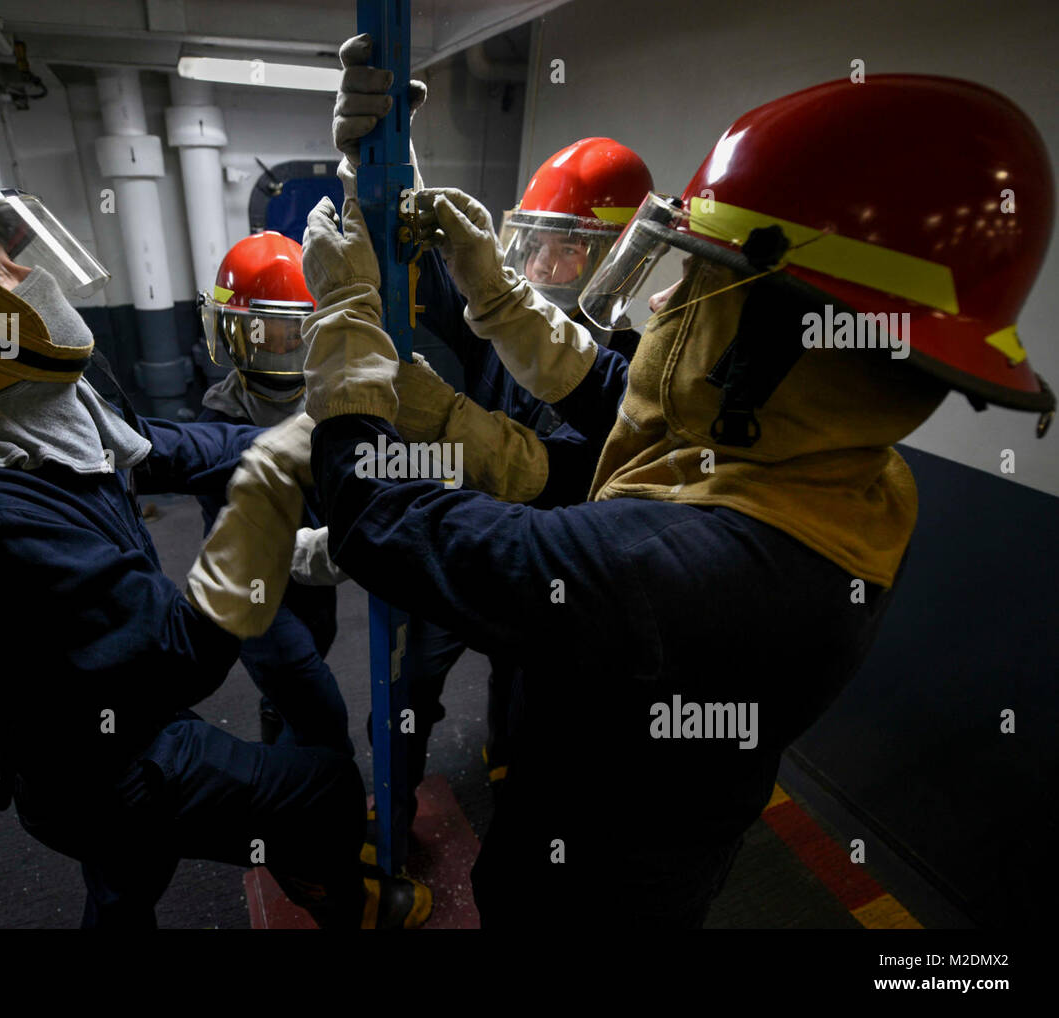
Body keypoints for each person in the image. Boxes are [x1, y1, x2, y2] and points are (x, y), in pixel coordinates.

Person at [298, 74, 1053, 926]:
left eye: (696, 278)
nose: (661, 298)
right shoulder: (849, 471)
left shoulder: (685, 574)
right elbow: (636, 403)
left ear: (773, 339)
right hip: (670, 844)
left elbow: (389, 522)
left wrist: (347, 320)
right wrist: (500, 299)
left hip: (588, 886)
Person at [0, 140, 430, 929]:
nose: (26, 278)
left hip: (80, 740)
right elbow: (181, 655)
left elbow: (174, 447)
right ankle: (340, 899)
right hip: (118, 763)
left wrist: (311, 437)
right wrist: (268, 492)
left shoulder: (29, 424)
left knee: (125, 884)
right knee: (318, 788)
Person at [330, 36, 654, 802]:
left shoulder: (635, 376)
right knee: (409, 693)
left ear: (618, 259)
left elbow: (570, 481)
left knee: (534, 697)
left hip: (545, 572)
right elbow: (420, 266)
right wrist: (380, 164)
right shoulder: (501, 315)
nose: (540, 268)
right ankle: (393, 813)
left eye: (567, 249)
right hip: (462, 543)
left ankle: (511, 759)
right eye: (533, 243)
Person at [195, 232, 349, 749]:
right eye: (261, 331)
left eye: (291, 331)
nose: (279, 344)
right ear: (234, 333)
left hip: (315, 584)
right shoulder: (217, 418)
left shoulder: (327, 403)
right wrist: (345, 548)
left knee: (316, 646)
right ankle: (288, 785)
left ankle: (281, 745)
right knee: (301, 686)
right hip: (254, 579)